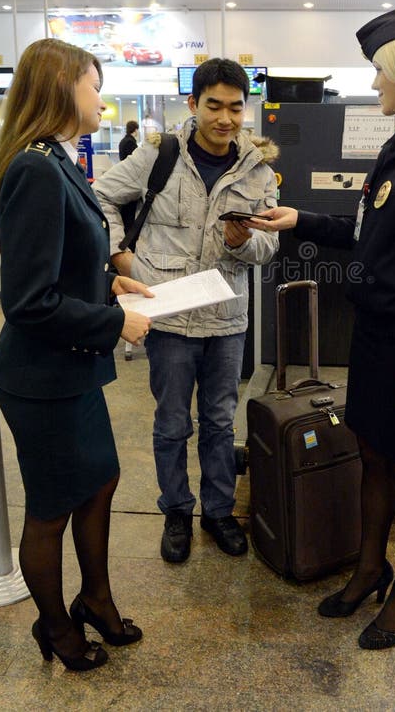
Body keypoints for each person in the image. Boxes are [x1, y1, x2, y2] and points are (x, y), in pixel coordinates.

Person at [248, 2, 395, 650]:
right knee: (373, 458)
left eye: (382, 73)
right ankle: (368, 569)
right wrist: (301, 220)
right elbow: (368, 236)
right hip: (376, 335)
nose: (375, 84)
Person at [0, 39, 153, 671]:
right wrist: (114, 321)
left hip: (70, 367)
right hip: (40, 376)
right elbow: (28, 302)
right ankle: (55, 627)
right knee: (50, 508)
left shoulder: (57, 163)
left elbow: (62, 263)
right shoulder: (35, 170)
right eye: (94, 84)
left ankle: (95, 599)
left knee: (101, 479)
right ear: (62, 86)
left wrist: (109, 283)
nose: (101, 98)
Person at [94, 58, 279, 563]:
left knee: (220, 421)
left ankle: (218, 511)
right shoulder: (161, 155)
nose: (225, 118)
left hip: (225, 317)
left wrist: (243, 243)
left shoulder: (258, 170)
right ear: (193, 104)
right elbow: (101, 197)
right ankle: (176, 508)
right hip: (168, 315)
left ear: (246, 109)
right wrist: (119, 254)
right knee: (172, 421)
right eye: (213, 106)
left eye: (235, 108)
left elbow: (268, 250)